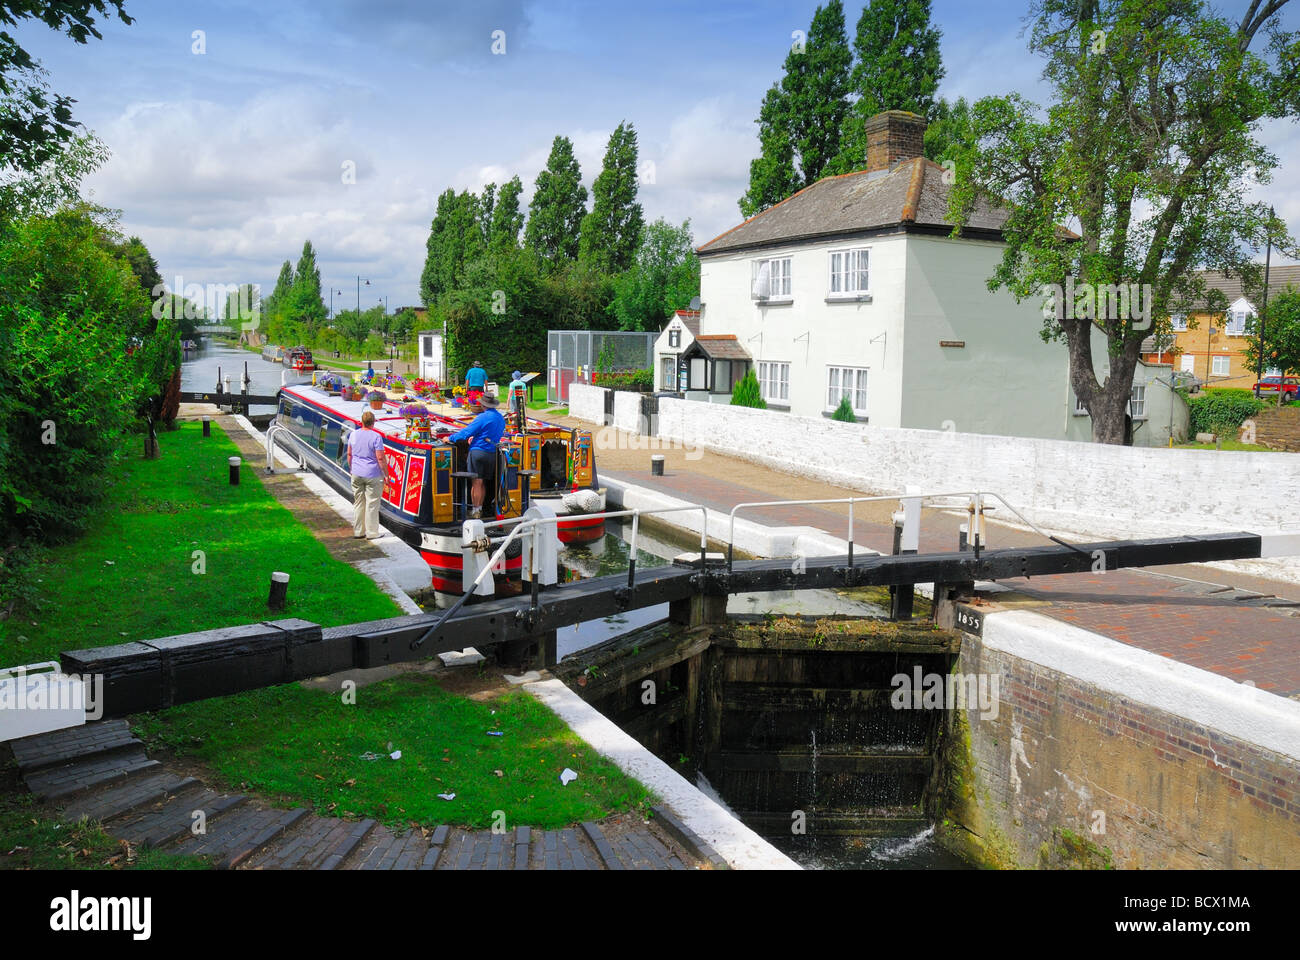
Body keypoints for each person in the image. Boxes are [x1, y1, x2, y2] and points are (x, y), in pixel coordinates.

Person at [448, 393, 504, 518]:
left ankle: (475, 510)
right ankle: (481, 508)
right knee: (482, 482)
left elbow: (466, 432)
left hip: (478, 452)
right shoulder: (500, 418)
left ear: (483, 405)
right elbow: (492, 434)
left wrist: (450, 438)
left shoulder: (482, 417)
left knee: (476, 483)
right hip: (492, 454)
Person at [347, 410, 386, 539]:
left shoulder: (353, 435)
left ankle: (358, 532)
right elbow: (380, 458)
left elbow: (349, 454)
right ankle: (372, 533)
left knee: (358, 502)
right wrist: (385, 474)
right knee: (372, 503)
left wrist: (352, 468)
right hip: (372, 474)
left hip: (356, 473)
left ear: (362, 422)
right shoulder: (376, 437)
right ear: (373, 423)